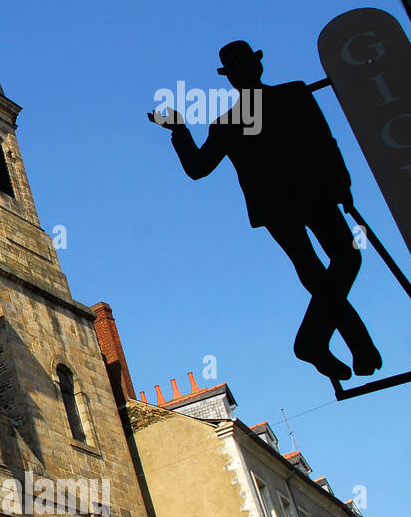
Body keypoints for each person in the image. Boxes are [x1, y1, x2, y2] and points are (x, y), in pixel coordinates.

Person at [149, 40, 380, 381]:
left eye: (244, 65)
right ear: (231, 76)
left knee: (332, 266)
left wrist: (342, 186)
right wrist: (180, 130)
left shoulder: (290, 96)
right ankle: (333, 344)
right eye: (236, 69)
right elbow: (198, 167)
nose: (242, 73)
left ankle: (329, 344)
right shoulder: (235, 118)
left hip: (307, 196)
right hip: (287, 203)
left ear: (255, 66)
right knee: (326, 267)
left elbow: (324, 141)